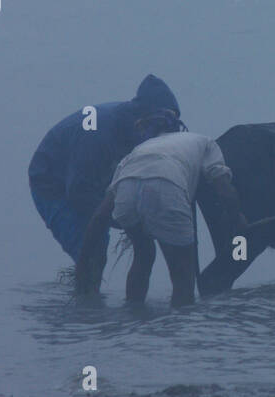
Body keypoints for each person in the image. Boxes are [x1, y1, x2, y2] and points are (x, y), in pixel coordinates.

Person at [76, 111, 248, 305]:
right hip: (167, 185)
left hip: (127, 190)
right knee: (182, 272)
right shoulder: (204, 142)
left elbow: (100, 216)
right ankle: (180, 329)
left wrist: (82, 262)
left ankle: (133, 318)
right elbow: (223, 187)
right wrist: (238, 219)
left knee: (143, 255)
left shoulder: (137, 151)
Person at [28, 75, 180, 264]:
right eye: (160, 123)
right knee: (91, 251)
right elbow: (78, 192)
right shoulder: (98, 132)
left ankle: (80, 287)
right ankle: (82, 291)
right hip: (53, 184)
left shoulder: (140, 132)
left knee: (99, 245)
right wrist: (127, 222)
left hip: (95, 180)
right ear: (142, 117)